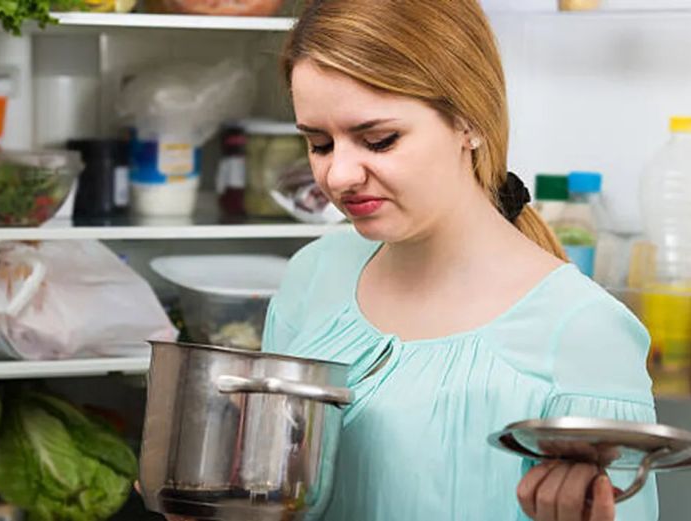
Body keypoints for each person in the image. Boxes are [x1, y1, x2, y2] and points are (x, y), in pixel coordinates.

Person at [258, 1, 658, 520]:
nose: (338, 176)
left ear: (468, 121)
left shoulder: (585, 334)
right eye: (318, 143)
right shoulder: (313, 274)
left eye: (379, 140)